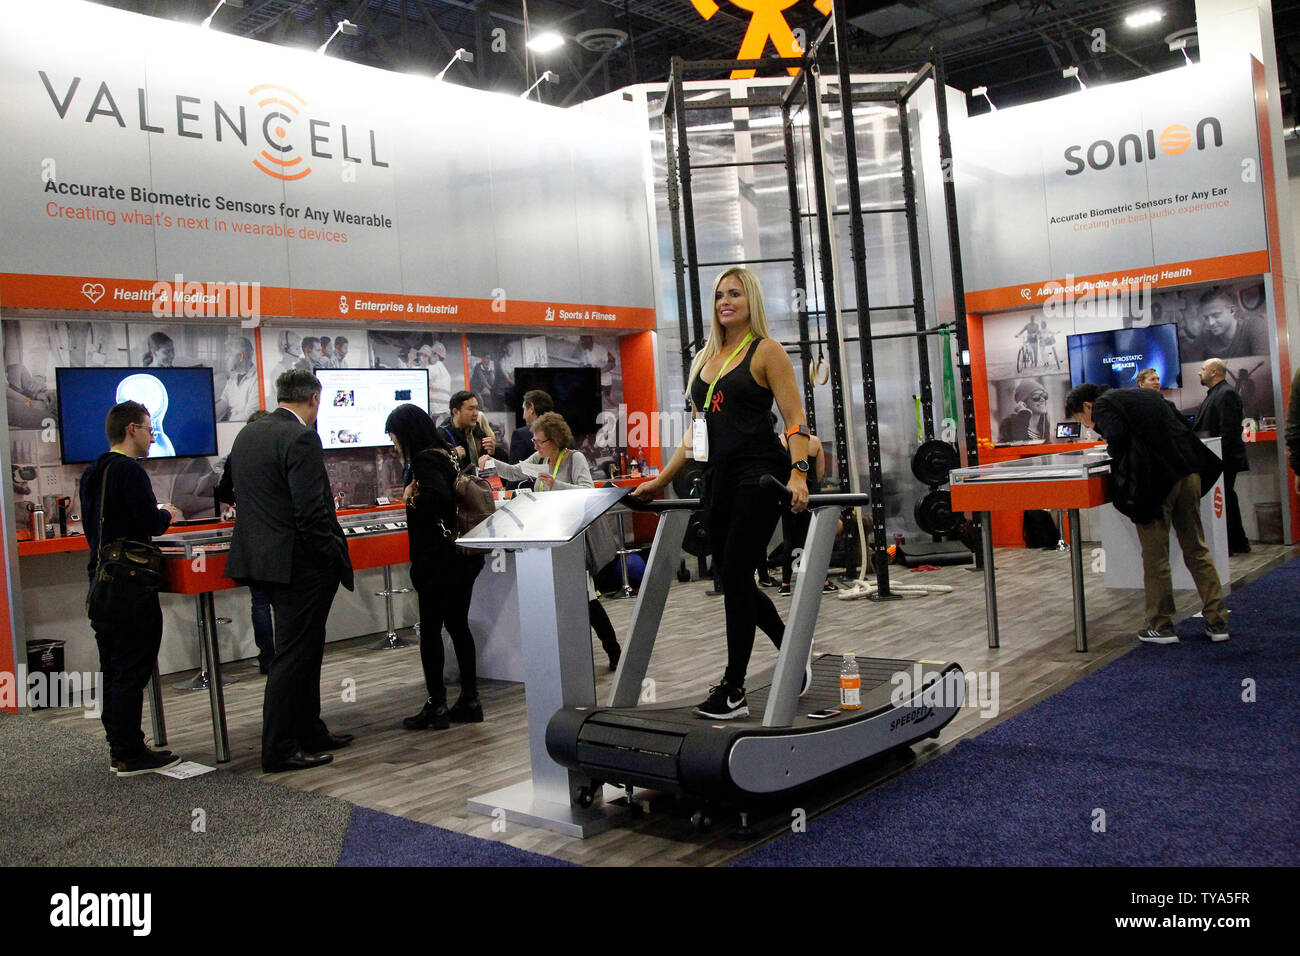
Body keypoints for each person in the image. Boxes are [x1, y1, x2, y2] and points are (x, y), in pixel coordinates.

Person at [632, 266, 811, 719]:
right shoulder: (704, 361)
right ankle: (791, 651)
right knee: (733, 578)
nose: (724, 302)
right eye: (718, 296)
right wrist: (658, 481)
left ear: (751, 300)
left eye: (734, 294)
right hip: (718, 479)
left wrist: (800, 474)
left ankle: (733, 689)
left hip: (759, 473)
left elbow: (796, 422)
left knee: (733, 574)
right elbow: (694, 437)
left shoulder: (767, 351)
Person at [225, 370, 356, 773]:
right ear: (315, 399)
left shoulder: (248, 434)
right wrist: (328, 553)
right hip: (300, 564)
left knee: (303, 650)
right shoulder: (301, 437)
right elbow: (309, 510)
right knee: (293, 656)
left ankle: (309, 729)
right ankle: (279, 748)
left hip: (265, 561)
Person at [1066, 382, 1228, 643]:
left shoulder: (1104, 405)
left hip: (1155, 484)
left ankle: (1160, 625)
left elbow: (1117, 438)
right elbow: (1182, 422)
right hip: (1188, 472)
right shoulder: (1145, 395)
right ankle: (1218, 621)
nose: (1089, 426)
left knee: (1156, 557)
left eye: (1083, 420)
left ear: (1087, 406)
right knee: (1197, 548)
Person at [79, 400, 184, 775]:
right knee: (132, 667)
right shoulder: (129, 471)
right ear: (131, 430)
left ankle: (119, 745)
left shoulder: (94, 471)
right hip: (130, 586)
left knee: (112, 666)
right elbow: (149, 523)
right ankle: (130, 751)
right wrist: (167, 514)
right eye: (148, 428)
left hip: (101, 580)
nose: (153, 435)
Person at [489, 411, 622, 670]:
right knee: (571, 600)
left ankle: (612, 650)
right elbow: (515, 472)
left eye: (540, 442)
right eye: (534, 441)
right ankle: (573, 656)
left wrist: (556, 485)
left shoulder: (575, 459)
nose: (535, 446)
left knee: (587, 598)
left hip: (572, 541)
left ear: (556, 440)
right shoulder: (538, 459)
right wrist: (491, 463)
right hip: (547, 538)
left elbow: (586, 492)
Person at [385, 403, 486, 728]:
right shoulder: (446, 453)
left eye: (393, 435)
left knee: (430, 629)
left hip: (437, 561)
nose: (393, 443)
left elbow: (438, 499)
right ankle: (470, 699)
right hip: (460, 557)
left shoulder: (425, 459)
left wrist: (410, 498)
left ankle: (437, 704)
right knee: (458, 625)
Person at [215, 409, 275, 675]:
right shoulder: (278, 454)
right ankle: (286, 655)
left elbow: (222, 491)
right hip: (278, 534)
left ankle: (267, 658)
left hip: (249, 533)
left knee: (259, 601)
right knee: (283, 602)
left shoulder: (237, 455)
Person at [1192, 357, 1250, 554]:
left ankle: (1233, 543)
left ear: (1214, 372)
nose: (1200, 372)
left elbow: (1229, 431)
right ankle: (1237, 542)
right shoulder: (1217, 394)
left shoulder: (1225, 394)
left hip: (1223, 459)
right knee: (1227, 499)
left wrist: (1217, 459)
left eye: (1203, 369)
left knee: (1225, 500)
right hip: (1218, 458)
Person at [776, 417, 835, 597]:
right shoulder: (815, 442)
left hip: (789, 496)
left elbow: (776, 470)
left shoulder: (781, 441)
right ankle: (822, 581)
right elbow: (819, 474)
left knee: (790, 538)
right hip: (809, 496)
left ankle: (786, 584)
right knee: (812, 537)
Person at [1188, 287, 1268, 360]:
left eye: (1216, 315)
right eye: (1206, 317)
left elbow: (1265, 368)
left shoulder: (1254, 326)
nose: (1210, 323)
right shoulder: (1204, 336)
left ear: (1232, 311)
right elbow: (1191, 370)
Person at [442, 390, 496, 471]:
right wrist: (453, 458)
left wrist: (492, 453)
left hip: (479, 482)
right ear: (456, 412)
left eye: (477, 408)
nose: (475, 413)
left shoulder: (479, 432)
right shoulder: (442, 436)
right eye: (471, 409)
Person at [215, 336, 259, 422]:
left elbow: (249, 415)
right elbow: (224, 400)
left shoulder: (258, 380)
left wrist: (225, 424)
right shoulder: (233, 377)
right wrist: (209, 414)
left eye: (228, 354)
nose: (225, 358)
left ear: (240, 357)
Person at [511, 389, 553, 463]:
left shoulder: (521, 435)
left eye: (524, 409)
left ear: (531, 408)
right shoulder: (565, 435)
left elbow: (514, 472)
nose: (523, 417)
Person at [427, 341, 451, 413]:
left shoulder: (432, 368)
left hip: (434, 409)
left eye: (431, 354)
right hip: (445, 410)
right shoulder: (446, 373)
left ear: (436, 355)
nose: (429, 357)